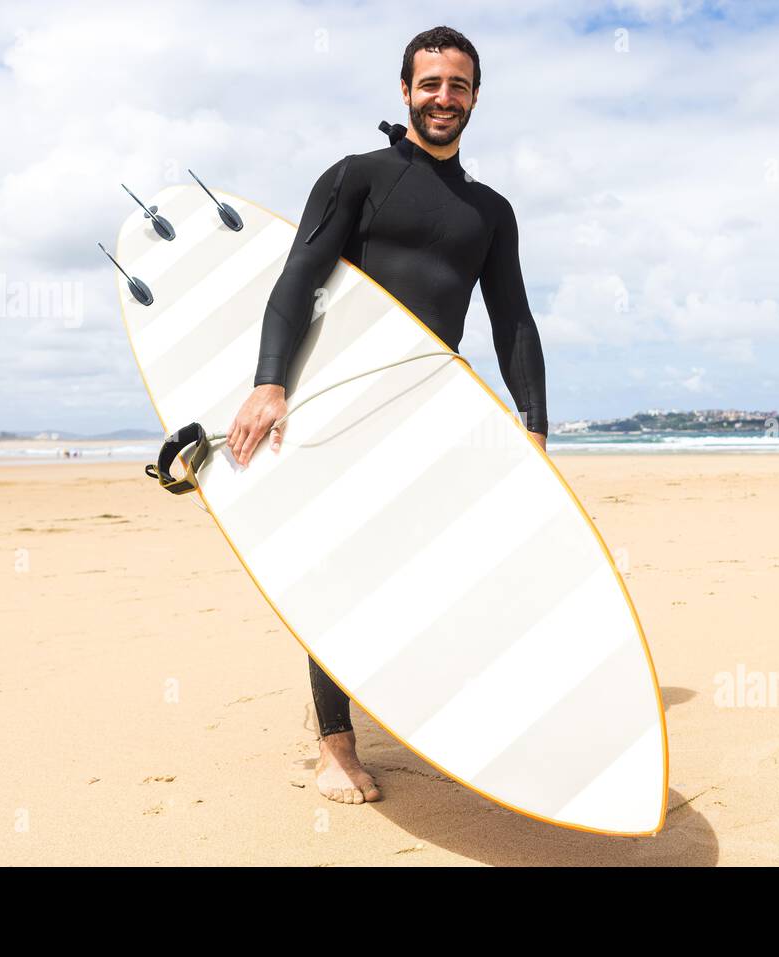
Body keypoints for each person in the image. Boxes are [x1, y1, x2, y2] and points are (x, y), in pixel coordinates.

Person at [226, 26, 548, 805]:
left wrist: (533, 421)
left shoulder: (491, 212)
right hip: (343, 404)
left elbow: (513, 320)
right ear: (404, 90)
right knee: (335, 574)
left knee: (424, 571)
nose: (445, 98)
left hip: (432, 411)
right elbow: (297, 279)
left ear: (476, 96)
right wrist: (270, 382)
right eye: (430, 83)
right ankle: (336, 748)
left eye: (459, 85)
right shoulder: (358, 178)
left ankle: (418, 701)